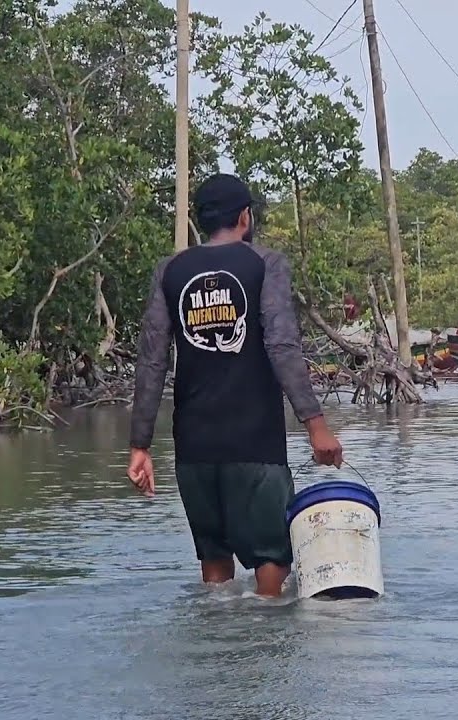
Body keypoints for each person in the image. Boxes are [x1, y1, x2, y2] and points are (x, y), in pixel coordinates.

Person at [126, 173, 344, 598]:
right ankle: (264, 635)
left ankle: (219, 636)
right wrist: (316, 425)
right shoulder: (266, 263)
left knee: (214, 560)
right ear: (245, 217)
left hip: (194, 447)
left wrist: (140, 446)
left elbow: (151, 359)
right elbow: (281, 344)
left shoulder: (170, 271)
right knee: (272, 556)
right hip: (255, 440)